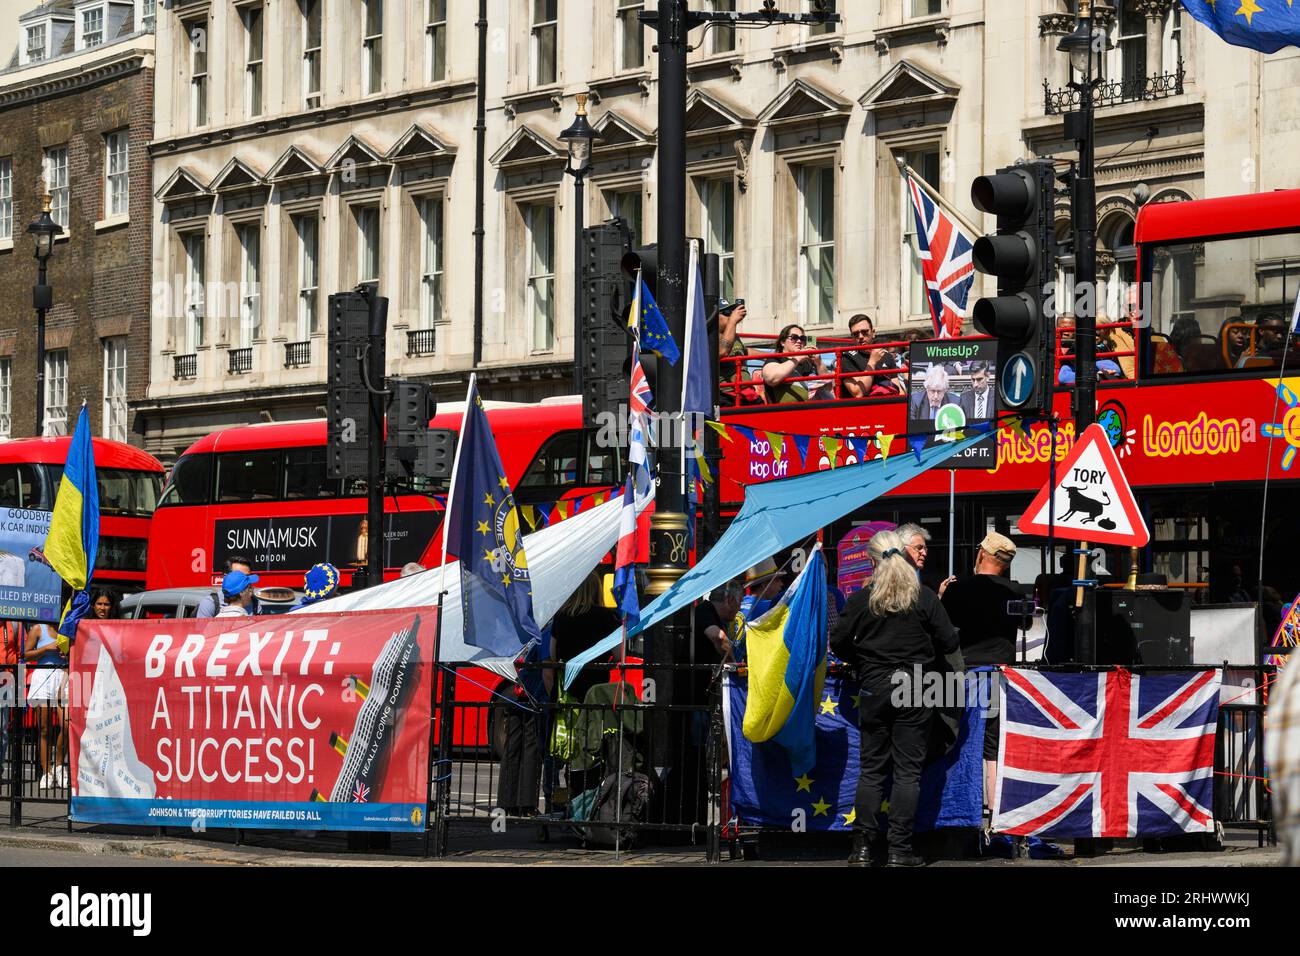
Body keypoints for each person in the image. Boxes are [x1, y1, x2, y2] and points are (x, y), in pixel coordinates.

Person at [829, 530, 961, 867]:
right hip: (916, 686)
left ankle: (860, 850)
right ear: (901, 555)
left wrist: (862, 660)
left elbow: (839, 643)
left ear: (872, 560)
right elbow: (948, 640)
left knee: (871, 771)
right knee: (907, 773)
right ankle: (899, 850)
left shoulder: (863, 599)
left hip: (874, 685)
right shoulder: (924, 596)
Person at [940, 533, 1022, 802]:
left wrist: (943, 595)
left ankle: (964, 805)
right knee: (993, 744)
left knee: (963, 738)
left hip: (966, 675)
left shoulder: (957, 590)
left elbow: (943, 626)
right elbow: (1026, 624)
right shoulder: (1015, 591)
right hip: (1001, 675)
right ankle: (995, 810)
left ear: (981, 555)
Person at [548, 573, 620, 799]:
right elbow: (620, 654)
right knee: (594, 749)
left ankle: (561, 800)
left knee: (566, 753)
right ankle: (589, 799)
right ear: (597, 590)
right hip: (596, 696)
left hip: (568, 696)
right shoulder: (607, 618)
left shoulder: (561, 618)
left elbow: (552, 655)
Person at [24, 621, 67, 791]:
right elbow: (26, 655)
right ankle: (46, 772)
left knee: (66, 725)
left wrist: (67, 655)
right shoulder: (37, 628)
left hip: (63, 676)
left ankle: (58, 766)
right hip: (42, 677)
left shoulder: (68, 627)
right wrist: (46, 649)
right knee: (44, 729)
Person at [690, 583, 740, 705]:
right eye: (740, 601)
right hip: (696, 696)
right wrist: (733, 665)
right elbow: (719, 637)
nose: (739, 608)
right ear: (730, 599)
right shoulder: (704, 611)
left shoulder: (711, 613)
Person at [762, 325, 834, 403]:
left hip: (817, 407)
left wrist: (819, 362)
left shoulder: (809, 362)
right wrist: (798, 357)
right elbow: (771, 379)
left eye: (802, 338)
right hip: (788, 411)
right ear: (782, 342)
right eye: (794, 337)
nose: (799, 341)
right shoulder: (776, 359)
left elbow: (829, 387)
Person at [840, 314, 901, 398]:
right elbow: (858, 393)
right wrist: (872, 362)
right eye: (856, 334)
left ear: (873, 333)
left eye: (865, 332)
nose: (860, 337)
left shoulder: (886, 355)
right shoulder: (847, 358)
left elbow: (898, 389)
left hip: (888, 404)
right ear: (852, 337)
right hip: (861, 408)